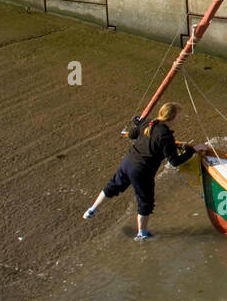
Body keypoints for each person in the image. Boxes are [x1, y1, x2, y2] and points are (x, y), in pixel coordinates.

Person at [83, 103, 198, 240]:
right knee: (145, 202)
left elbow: (132, 135)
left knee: (113, 186)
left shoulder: (148, 122)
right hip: (142, 171)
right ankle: (142, 234)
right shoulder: (166, 136)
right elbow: (174, 162)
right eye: (179, 115)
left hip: (128, 162)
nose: (180, 118)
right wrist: (192, 150)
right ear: (172, 117)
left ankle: (92, 209)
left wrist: (138, 123)